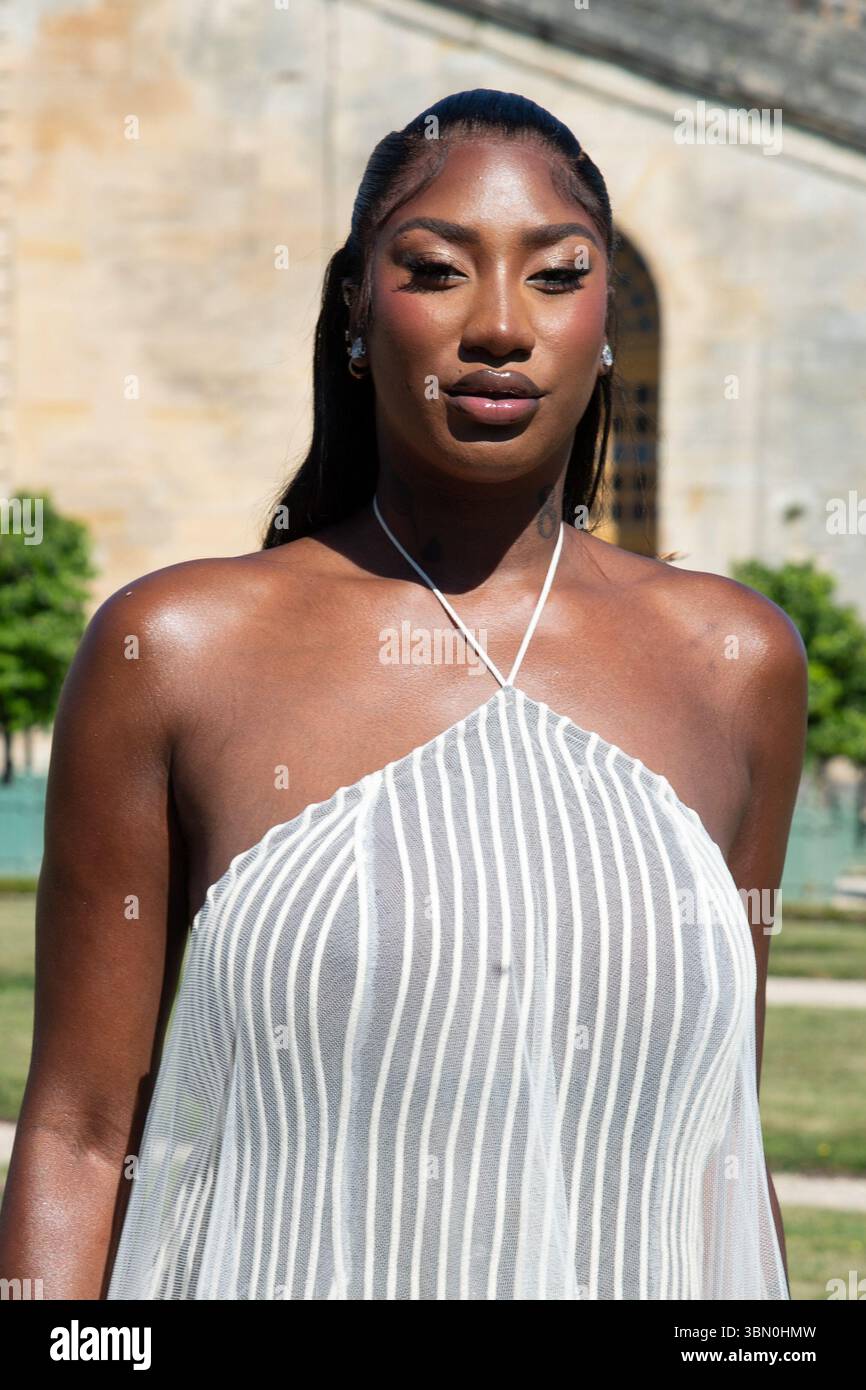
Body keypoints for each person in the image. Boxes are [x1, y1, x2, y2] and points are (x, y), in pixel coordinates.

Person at [0, 88, 805, 1300]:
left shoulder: (735, 663)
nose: (497, 324)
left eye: (555, 274)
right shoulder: (174, 647)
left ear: (604, 325)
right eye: (433, 270)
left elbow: (717, 1155)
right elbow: (79, 1130)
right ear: (356, 315)